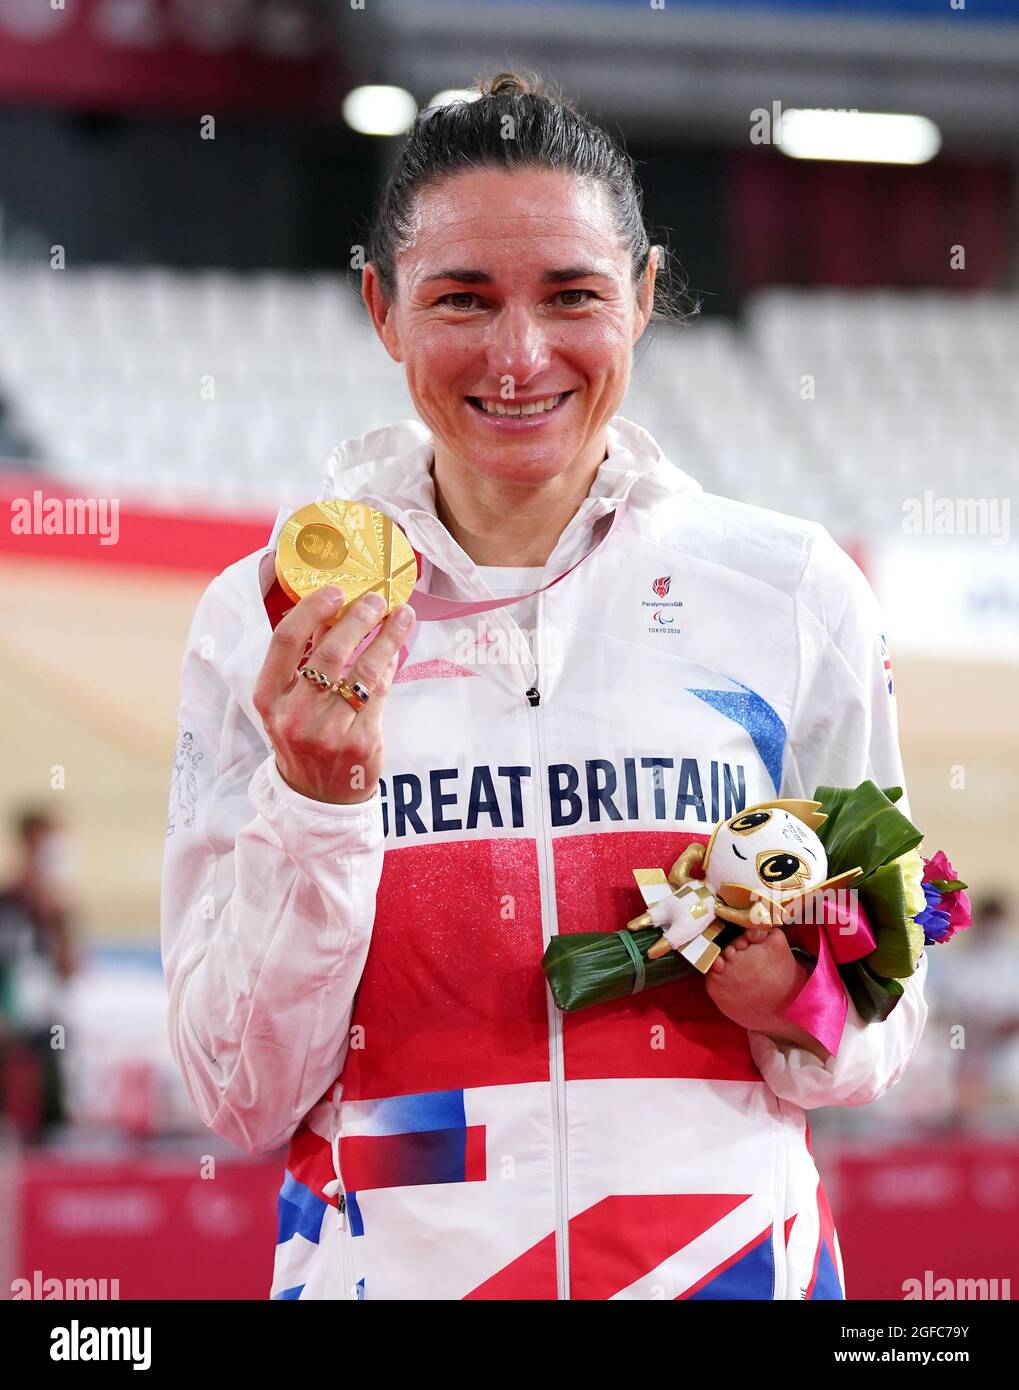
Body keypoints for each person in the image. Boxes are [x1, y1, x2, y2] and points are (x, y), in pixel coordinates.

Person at [160, 71, 928, 1301]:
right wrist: (314, 804)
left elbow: (881, 1031)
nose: (518, 358)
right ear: (381, 307)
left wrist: (798, 998)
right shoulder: (261, 619)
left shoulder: (787, 592)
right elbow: (237, 1092)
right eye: (462, 299)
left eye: (571, 296)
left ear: (639, 296)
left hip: (727, 1274)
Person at [0, 808, 76, 1137]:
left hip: (47, 1032)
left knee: (48, 1123)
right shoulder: (7, 902)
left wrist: (55, 922)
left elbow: (69, 970)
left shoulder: (58, 910)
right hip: (9, 1031)